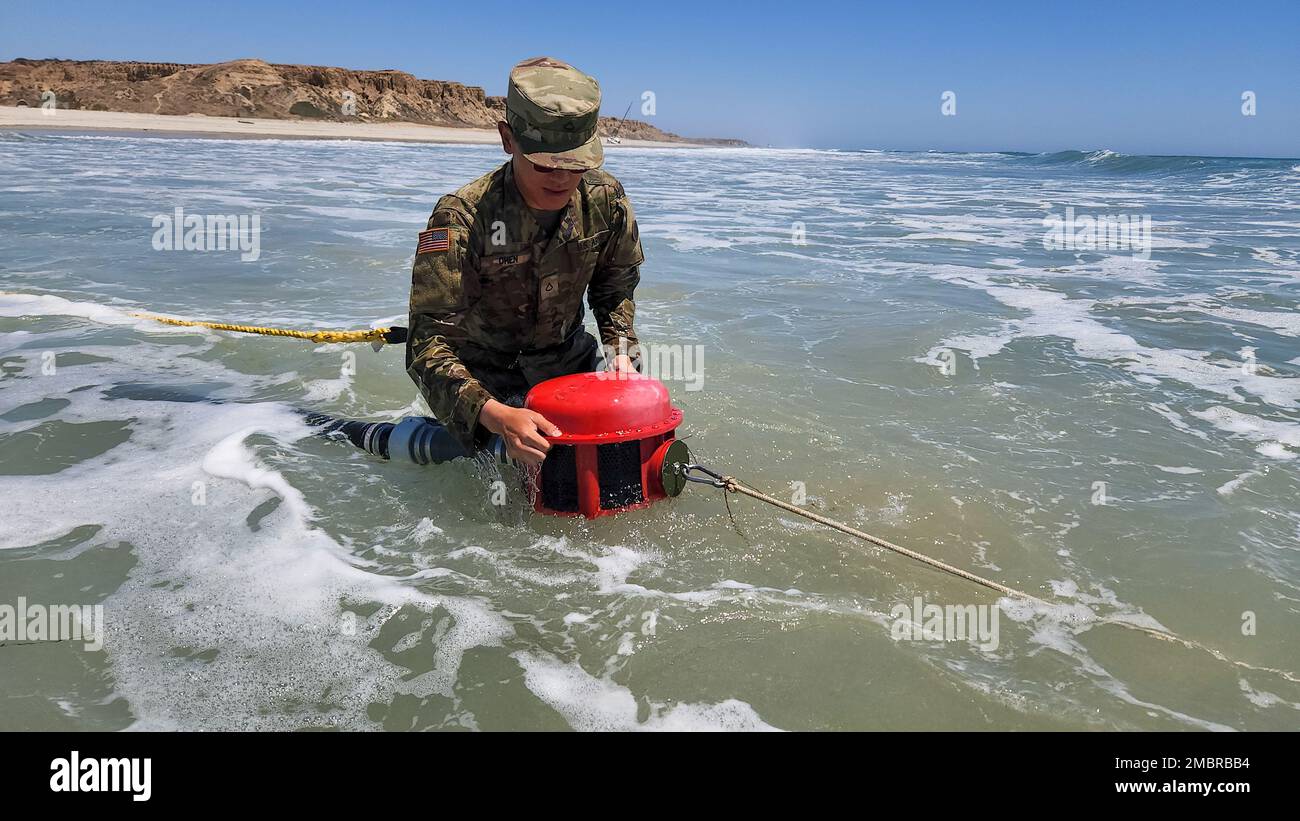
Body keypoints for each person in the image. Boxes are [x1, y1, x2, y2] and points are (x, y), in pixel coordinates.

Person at [406, 56, 645, 466]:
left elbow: (614, 287)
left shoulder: (607, 201)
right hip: (485, 386)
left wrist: (621, 351)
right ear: (507, 139)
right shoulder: (462, 217)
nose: (562, 178)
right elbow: (427, 345)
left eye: (577, 165)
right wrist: (495, 416)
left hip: (569, 371)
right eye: (546, 164)